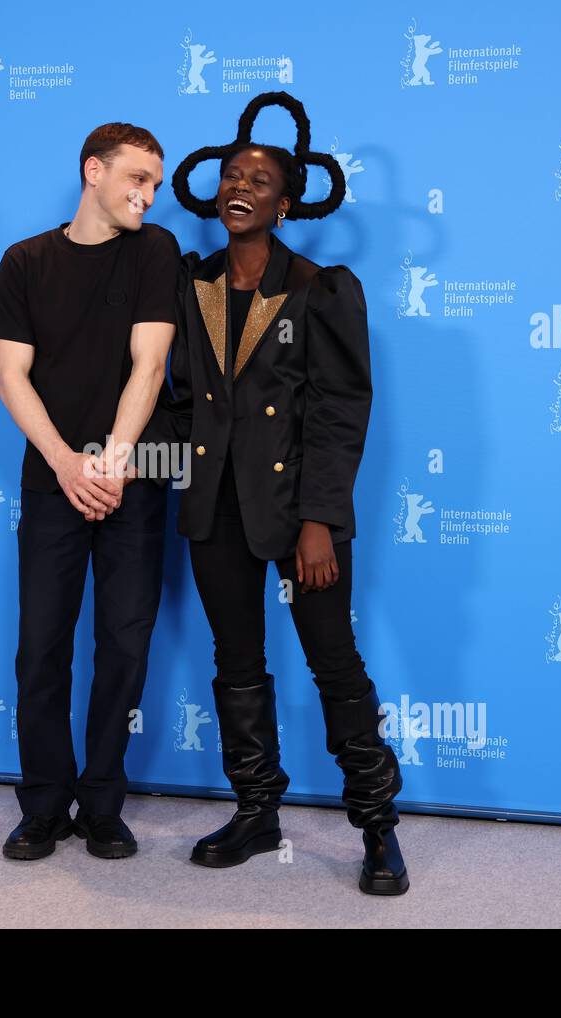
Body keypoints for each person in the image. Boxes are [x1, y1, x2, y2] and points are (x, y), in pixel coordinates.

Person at [142, 91, 409, 894]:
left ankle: (377, 829)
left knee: (335, 664)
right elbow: (175, 398)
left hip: (301, 517)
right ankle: (257, 810)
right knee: (237, 663)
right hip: (214, 509)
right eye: (232, 173)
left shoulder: (323, 288)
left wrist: (322, 518)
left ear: (285, 203)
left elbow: (339, 408)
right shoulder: (190, 288)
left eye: (260, 178)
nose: (242, 183)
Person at [0, 122, 180, 861]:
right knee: (40, 647)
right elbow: (11, 376)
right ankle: (42, 804)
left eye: (156, 184)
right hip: (53, 476)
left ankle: (102, 802)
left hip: (133, 474)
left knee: (124, 646)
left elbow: (149, 364)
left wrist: (111, 460)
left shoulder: (155, 250)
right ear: (92, 171)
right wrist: (69, 462)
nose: (147, 195)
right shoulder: (25, 261)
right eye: (136, 178)